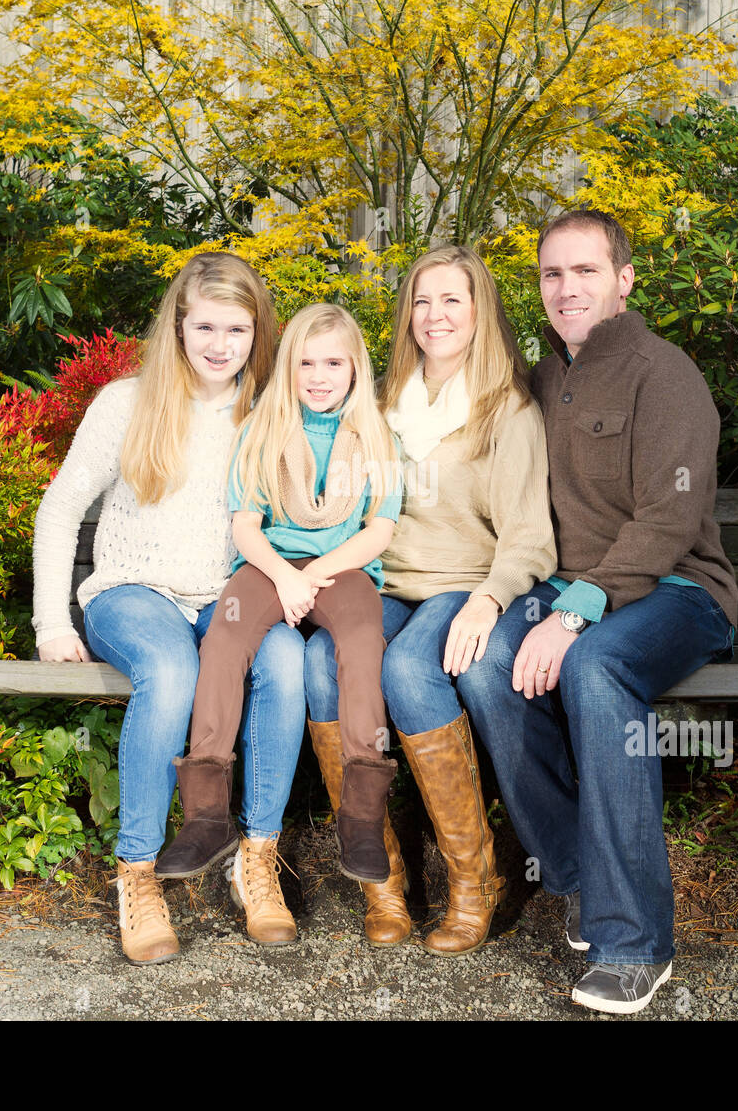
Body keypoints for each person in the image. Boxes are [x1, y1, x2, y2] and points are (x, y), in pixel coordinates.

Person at [460, 210, 738, 1013]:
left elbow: (668, 520)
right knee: (480, 664)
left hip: (677, 592)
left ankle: (634, 943)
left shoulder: (665, 373)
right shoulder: (544, 379)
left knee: (594, 664)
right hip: (569, 589)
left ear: (623, 279)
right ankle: (582, 871)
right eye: (552, 274)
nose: (566, 288)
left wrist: (574, 614)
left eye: (585, 271)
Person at [31, 253, 306, 964]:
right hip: (133, 593)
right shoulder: (127, 402)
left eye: (237, 329)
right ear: (178, 325)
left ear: (258, 333)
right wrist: (51, 624)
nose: (220, 344)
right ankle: (139, 873)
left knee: (282, 660)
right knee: (170, 668)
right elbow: (61, 509)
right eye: (205, 325)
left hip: (227, 595)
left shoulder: (270, 407)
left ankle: (258, 858)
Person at [304, 245, 556, 954]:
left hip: (461, 585)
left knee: (410, 669)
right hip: (382, 583)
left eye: (452, 300)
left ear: (481, 312)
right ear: (406, 314)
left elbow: (531, 536)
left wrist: (488, 601)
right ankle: (380, 885)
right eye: (422, 300)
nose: (436, 314)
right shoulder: (379, 404)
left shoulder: (509, 409)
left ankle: (474, 884)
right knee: (323, 663)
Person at [157, 303, 403, 913]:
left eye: (333, 364)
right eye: (305, 363)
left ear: (354, 369)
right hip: (267, 566)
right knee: (223, 643)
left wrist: (313, 577)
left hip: (340, 572)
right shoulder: (263, 430)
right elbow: (245, 526)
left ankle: (363, 817)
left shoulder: (375, 436)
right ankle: (208, 814)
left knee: (362, 644)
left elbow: (379, 531)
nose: (319, 376)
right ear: (288, 367)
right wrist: (282, 577)